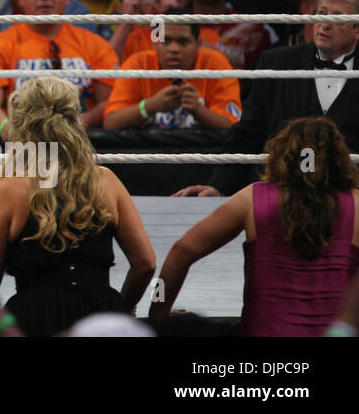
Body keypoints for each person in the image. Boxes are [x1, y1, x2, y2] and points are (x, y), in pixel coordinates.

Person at [0, 77, 156, 336]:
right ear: (75, 120)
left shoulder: (9, 189)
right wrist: (120, 310)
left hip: (32, 318)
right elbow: (146, 263)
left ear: (21, 124)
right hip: (101, 313)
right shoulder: (106, 180)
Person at [152, 117, 359, 336]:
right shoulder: (356, 204)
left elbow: (180, 251)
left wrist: (157, 315)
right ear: (340, 158)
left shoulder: (252, 199)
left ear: (281, 154)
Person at [178, 0, 359, 197]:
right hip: (280, 192)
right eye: (321, 13)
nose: (325, 24)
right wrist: (219, 186)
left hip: (351, 198)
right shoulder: (276, 62)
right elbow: (247, 134)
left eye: (337, 17)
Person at [0, 0, 119, 131]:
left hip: (82, 143)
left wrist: (77, 124)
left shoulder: (97, 45)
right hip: (19, 146)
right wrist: (9, 131)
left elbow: (109, 104)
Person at [103, 12, 241, 130]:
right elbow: (110, 123)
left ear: (198, 44)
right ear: (155, 43)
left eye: (183, 42)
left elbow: (234, 126)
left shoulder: (215, 64)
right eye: (166, 41)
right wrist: (150, 106)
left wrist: (198, 110)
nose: (174, 49)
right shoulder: (138, 64)